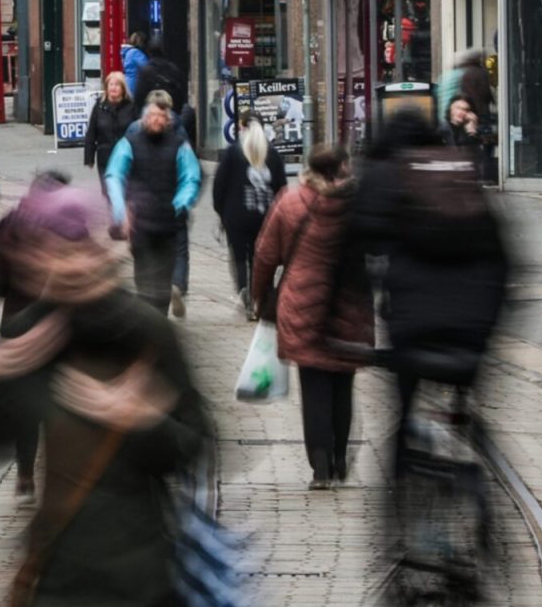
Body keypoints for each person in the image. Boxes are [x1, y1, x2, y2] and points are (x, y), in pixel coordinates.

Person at [0, 185, 209, 606]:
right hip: (59, 573)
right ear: (34, 260)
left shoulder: (146, 331)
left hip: (142, 576)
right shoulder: (32, 333)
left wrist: (142, 420)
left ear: (100, 250)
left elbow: (196, 446)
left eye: (77, 247)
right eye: (52, 250)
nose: (68, 262)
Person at [348, 109, 509, 443]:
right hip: (474, 324)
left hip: (413, 324)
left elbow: (356, 241)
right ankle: (468, 430)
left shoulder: (384, 172)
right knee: (466, 392)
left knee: (404, 412)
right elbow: (501, 255)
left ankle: (404, 463)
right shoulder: (457, 171)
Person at [251, 147, 372, 488]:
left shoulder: (290, 201)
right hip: (350, 304)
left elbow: (264, 254)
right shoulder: (356, 205)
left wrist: (259, 297)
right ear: (343, 167)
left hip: (304, 305)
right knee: (342, 386)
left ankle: (320, 467)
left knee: (314, 386)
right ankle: (338, 458)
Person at [0, 171, 79, 501]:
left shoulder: (11, 223)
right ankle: (60, 474)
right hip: (66, 327)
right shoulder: (74, 225)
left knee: (25, 405)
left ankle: (25, 474)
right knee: (63, 401)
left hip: (19, 326)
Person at [104, 93, 201, 315]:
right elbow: (115, 175)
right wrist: (120, 211)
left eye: (161, 116)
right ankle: (149, 320)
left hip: (168, 223)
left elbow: (191, 176)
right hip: (141, 223)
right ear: (144, 118)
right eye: (153, 115)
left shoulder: (179, 145)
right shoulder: (129, 143)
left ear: (168, 120)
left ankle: (159, 318)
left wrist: (181, 203)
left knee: (164, 276)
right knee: (144, 276)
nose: (156, 120)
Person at [213, 109, 288, 320]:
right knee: (262, 257)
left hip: (236, 215)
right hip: (266, 216)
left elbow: (219, 186)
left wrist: (221, 211)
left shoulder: (232, 152)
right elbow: (281, 187)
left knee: (239, 257)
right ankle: (260, 298)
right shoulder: (273, 154)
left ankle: (244, 290)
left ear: (241, 126)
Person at [80, 71, 139, 192]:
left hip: (127, 156)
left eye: (117, 85)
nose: (113, 88)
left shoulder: (132, 107)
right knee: (108, 192)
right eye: (111, 84)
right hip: (105, 156)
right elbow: (91, 133)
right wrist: (89, 157)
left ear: (123, 88)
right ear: (106, 87)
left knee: (125, 191)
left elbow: (138, 132)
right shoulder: (99, 106)